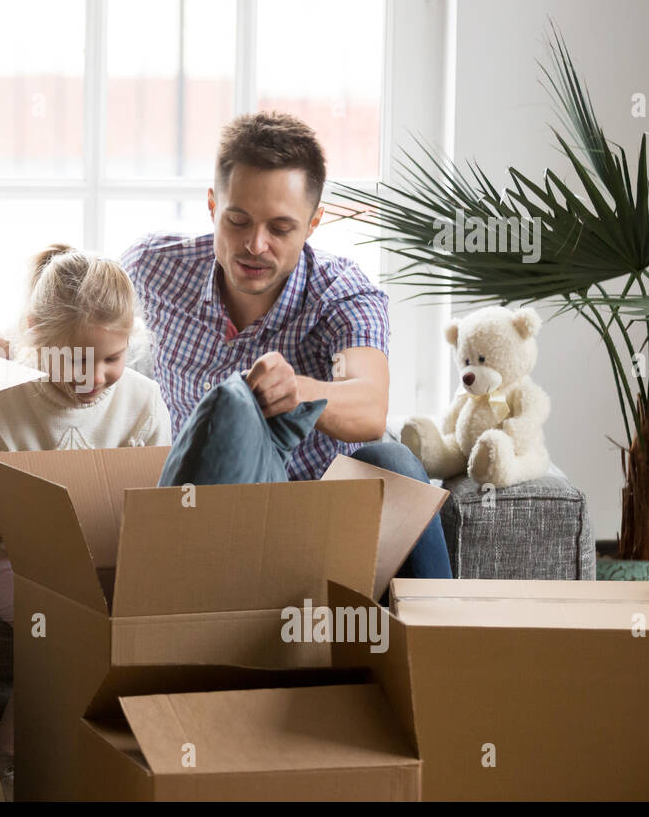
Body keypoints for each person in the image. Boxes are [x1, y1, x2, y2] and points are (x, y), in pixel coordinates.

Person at [122, 111, 451, 579]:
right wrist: (16, 339)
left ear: (314, 222)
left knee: (391, 461)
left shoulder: (340, 295)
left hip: (313, 539)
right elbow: (82, 309)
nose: (256, 245)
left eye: (280, 228)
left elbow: (369, 406)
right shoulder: (154, 268)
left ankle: (438, 642)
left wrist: (296, 390)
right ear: (213, 206)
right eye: (238, 220)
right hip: (199, 520)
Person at [0, 245, 173, 790]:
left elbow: (161, 498)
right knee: (72, 629)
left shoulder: (143, 400)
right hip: (4, 561)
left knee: (125, 620)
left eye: (112, 359)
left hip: (98, 562)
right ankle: (11, 761)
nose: (96, 378)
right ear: (36, 334)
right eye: (78, 359)